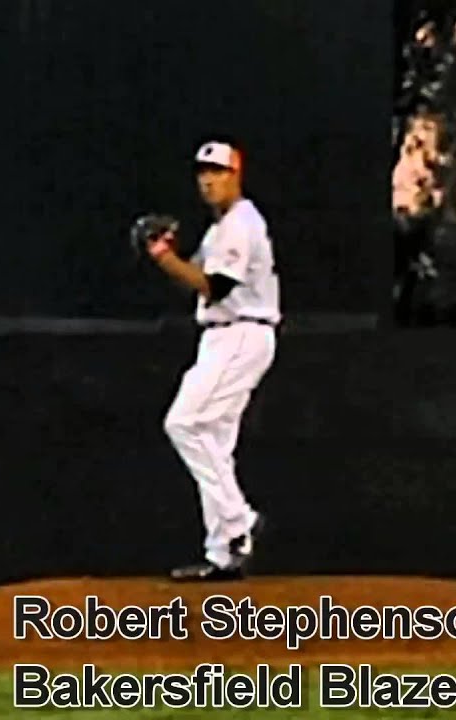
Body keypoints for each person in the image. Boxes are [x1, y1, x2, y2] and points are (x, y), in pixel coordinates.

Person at [145, 138, 280, 582]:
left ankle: (240, 521)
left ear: (235, 174)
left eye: (218, 171)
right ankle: (223, 552)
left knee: (183, 423)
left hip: (242, 333)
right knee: (215, 444)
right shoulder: (219, 230)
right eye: (203, 171)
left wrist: (162, 257)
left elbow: (214, 288)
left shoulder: (242, 222)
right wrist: (171, 253)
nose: (208, 179)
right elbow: (195, 276)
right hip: (222, 337)